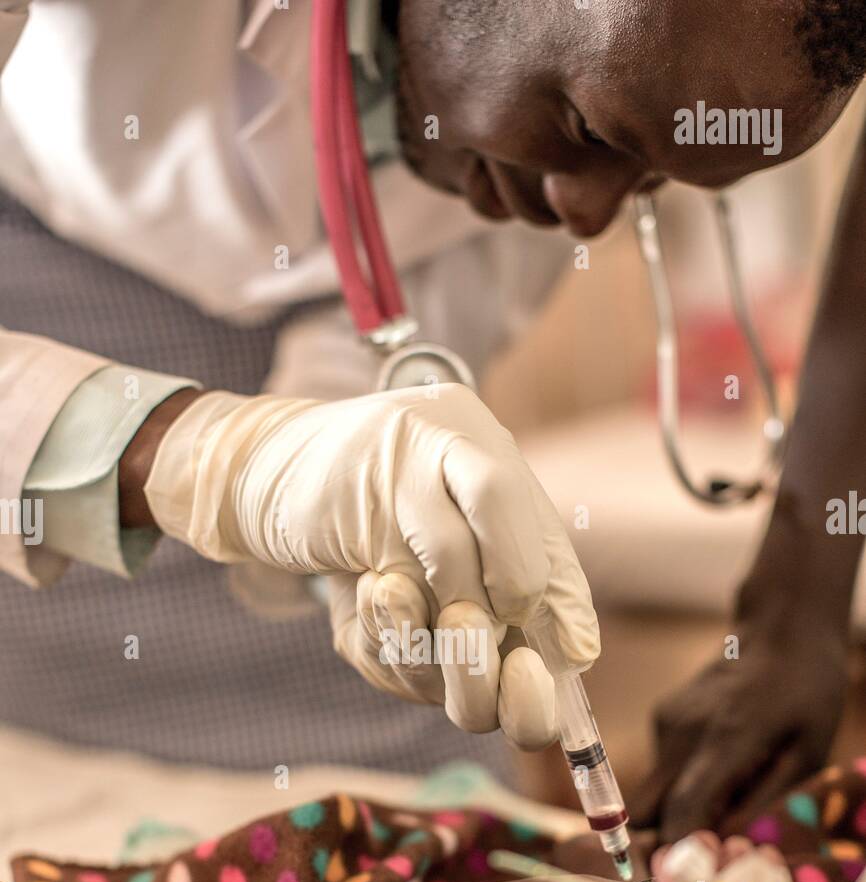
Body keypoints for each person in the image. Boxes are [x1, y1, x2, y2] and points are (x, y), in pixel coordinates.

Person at [2, 1, 865, 808]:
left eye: (654, 181)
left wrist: (341, 509)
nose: (588, 215)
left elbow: (383, 327)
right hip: (35, 270)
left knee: (412, 823)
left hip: (298, 308)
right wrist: (210, 463)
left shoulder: (522, 143)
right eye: (591, 132)